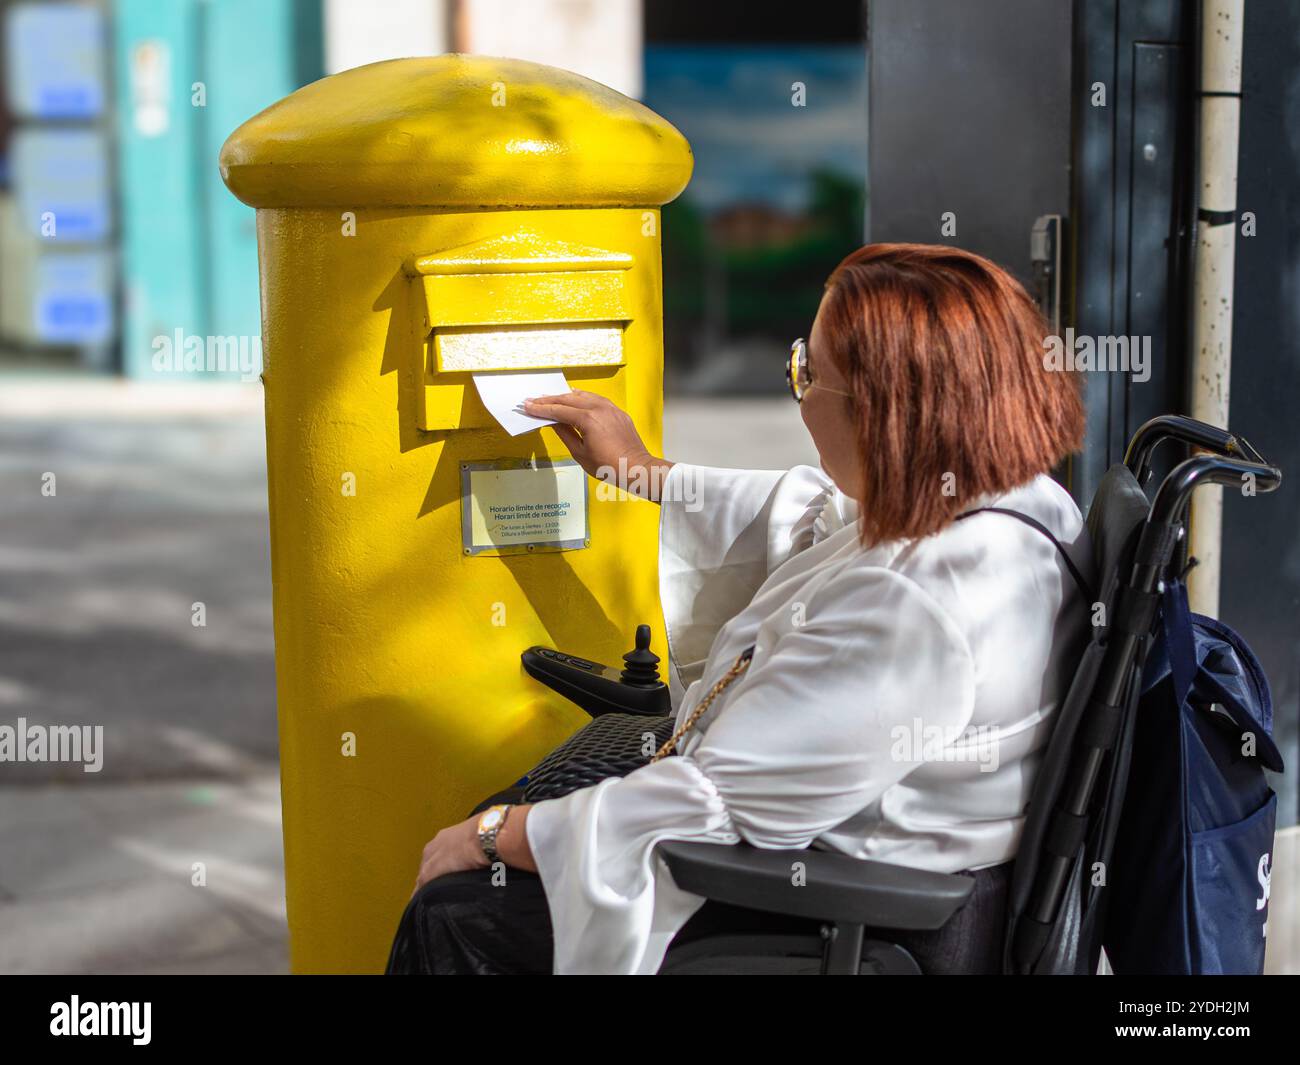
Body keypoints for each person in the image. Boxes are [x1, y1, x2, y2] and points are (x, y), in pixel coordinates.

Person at [387, 242, 1091, 975]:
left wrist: (492, 835)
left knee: (462, 903)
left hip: (850, 914)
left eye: (807, 373)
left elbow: (712, 805)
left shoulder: (918, 606)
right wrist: (644, 473)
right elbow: (825, 519)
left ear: (884, 416)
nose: (797, 389)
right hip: (871, 866)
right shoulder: (1019, 503)